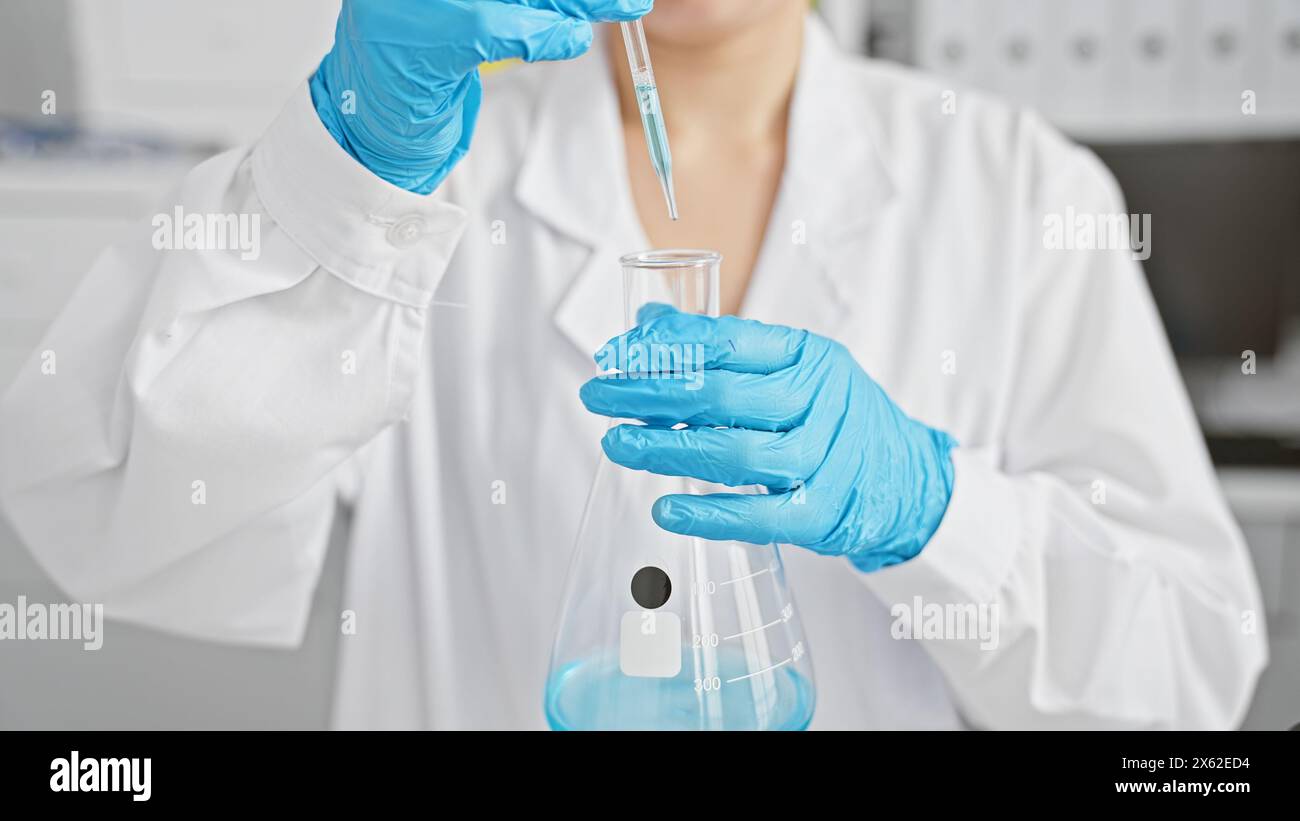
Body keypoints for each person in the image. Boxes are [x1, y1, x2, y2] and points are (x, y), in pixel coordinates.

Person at [0, 0, 1267, 729]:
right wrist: (356, 162)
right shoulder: (429, 147)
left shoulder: (1014, 188)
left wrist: (934, 508)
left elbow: (1188, 682)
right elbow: (116, 520)